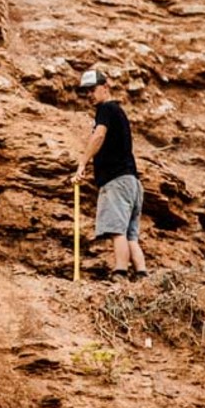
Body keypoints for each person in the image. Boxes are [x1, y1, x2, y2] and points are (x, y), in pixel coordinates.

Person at [72, 70, 148, 282]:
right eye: (86, 92)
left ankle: (120, 272)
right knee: (131, 234)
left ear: (105, 86)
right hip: (133, 182)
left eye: (92, 90)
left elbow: (99, 136)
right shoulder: (119, 112)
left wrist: (82, 163)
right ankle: (142, 273)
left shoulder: (105, 109)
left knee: (117, 230)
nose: (89, 95)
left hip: (117, 180)